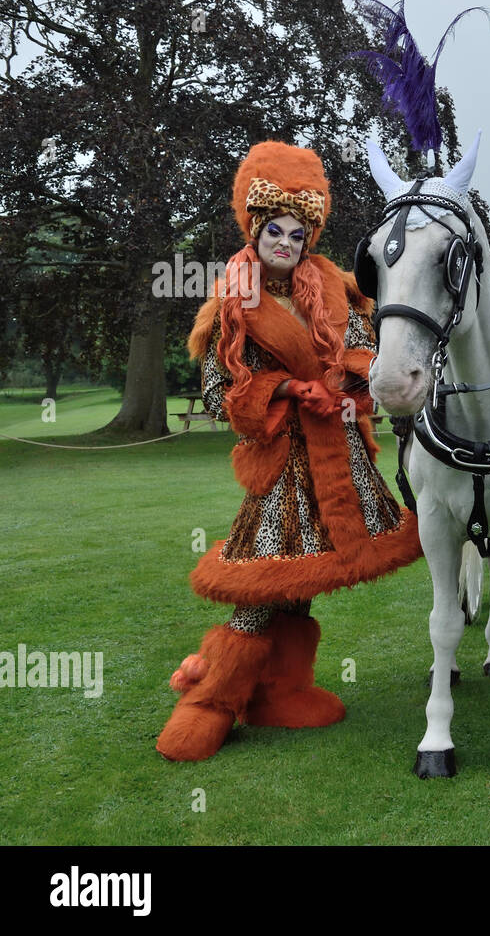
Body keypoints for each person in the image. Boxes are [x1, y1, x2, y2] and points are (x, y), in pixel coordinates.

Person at [156, 140, 423, 762]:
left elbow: (368, 352)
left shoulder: (338, 290)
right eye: (274, 230)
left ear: (309, 237)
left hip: (338, 458)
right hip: (282, 463)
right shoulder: (235, 304)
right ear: (254, 229)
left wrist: (342, 385)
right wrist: (285, 388)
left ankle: (280, 692)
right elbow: (222, 393)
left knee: (299, 583)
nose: (285, 242)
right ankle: (209, 702)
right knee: (261, 585)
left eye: (297, 233)